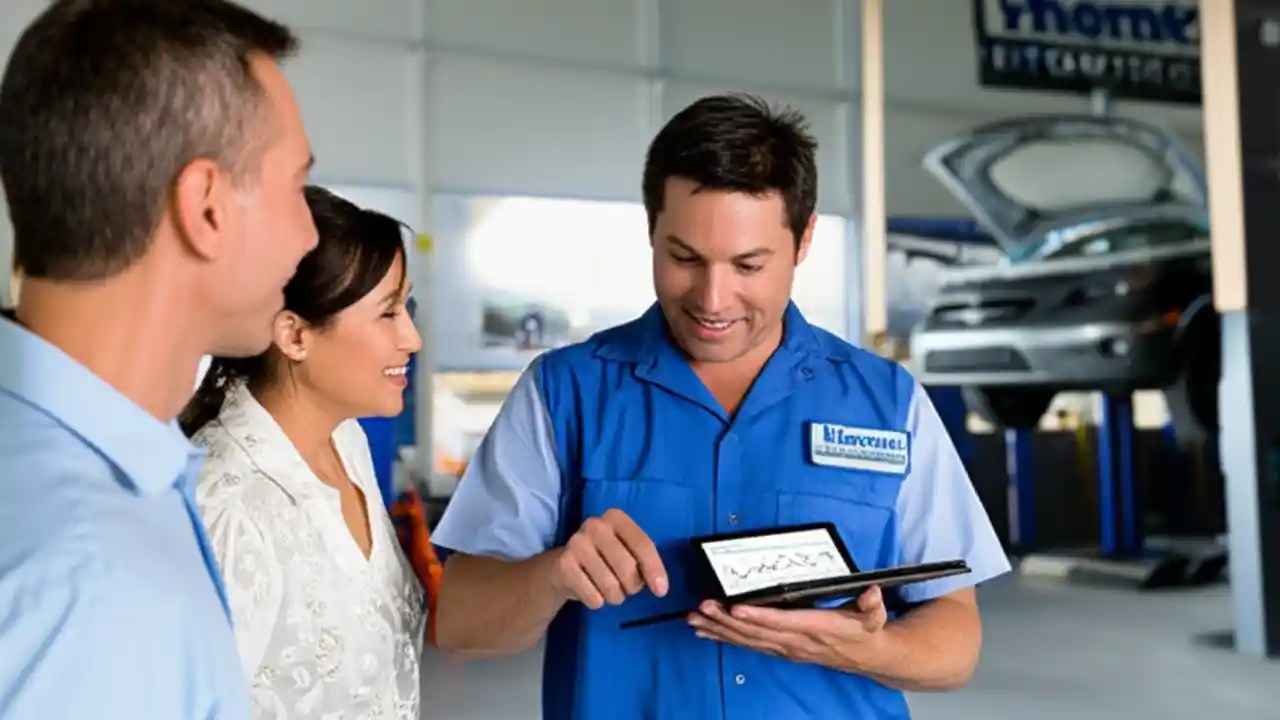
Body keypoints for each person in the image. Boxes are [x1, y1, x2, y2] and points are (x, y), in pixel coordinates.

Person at [430, 94, 1012, 719]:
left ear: (804, 239)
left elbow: (956, 642)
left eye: (748, 264)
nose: (713, 298)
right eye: (684, 259)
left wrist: (860, 649)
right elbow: (462, 623)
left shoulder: (889, 403)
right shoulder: (564, 393)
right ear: (651, 230)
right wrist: (552, 575)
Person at [0, 1, 317, 717]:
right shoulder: (88, 583)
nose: (307, 237)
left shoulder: (101, 487)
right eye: (296, 187)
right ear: (206, 206)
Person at [180, 186, 431, 720]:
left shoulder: (348, 441)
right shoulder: (225, 504)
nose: (412, 338)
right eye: (388, 314)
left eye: (405, 307)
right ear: (293, 334)